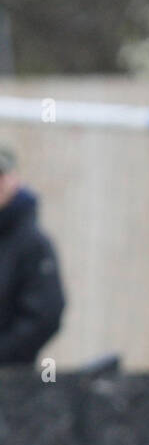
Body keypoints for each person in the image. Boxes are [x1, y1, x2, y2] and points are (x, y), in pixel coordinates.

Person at [0, 143, 64, 367]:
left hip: (11, 382)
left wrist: (6, 354)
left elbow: (44, 316)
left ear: (13, 180)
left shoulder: (31, 245)